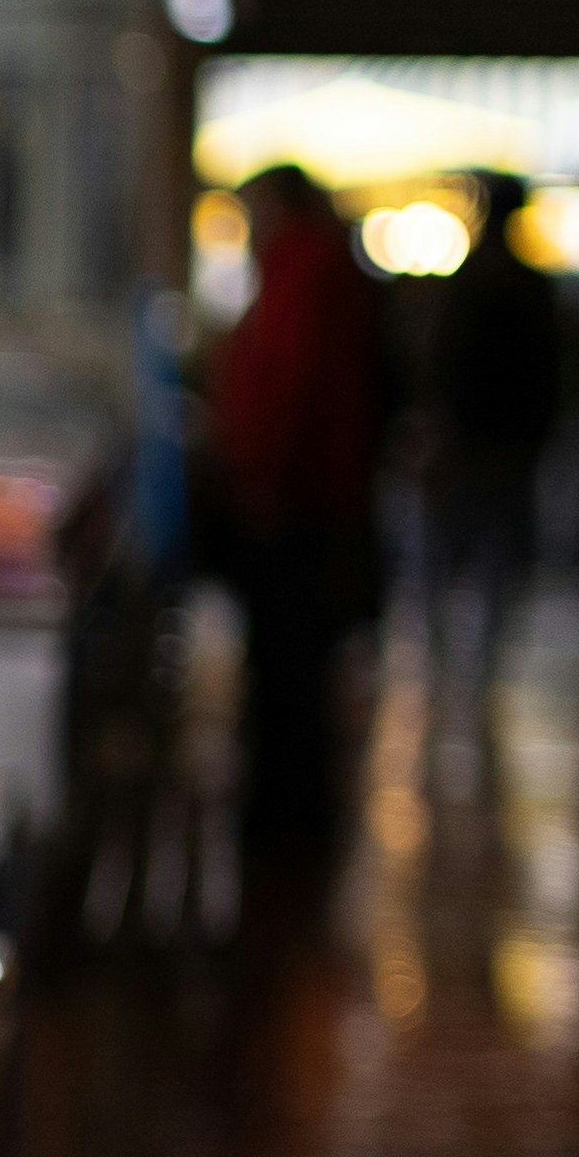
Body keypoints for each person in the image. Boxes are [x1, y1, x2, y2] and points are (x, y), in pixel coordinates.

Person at [207, 165, 387, 858]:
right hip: (313, 493)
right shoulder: (321, 266)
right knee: (297, 660)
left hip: (294, 501)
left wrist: (260, 480)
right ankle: (295, 812)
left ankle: (288, 821)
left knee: (290, 662)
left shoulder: (302, 270)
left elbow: (287, 385)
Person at [418, 172, 561, 699]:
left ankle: (452, 672)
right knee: (492, 569)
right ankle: (473, 672)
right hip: (503, 450)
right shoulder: (527, 286)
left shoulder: (472, 283)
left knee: (452, 564)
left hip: (478, 447)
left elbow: (439, 363)